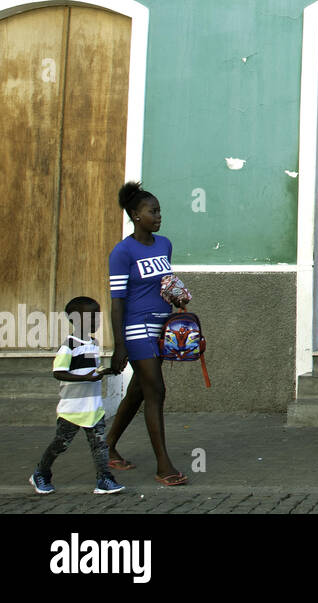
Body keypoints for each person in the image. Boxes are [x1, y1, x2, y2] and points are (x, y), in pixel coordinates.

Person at [104, 182, 188, 486]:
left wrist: (178, 297)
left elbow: (163, 284)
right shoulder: (122, 252)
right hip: (137, 327)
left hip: (162, 328)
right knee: (156, 391)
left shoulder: (164, 244)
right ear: (135, 215)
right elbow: (118, 302)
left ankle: (107, 444)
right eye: (152, 211)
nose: (158, 215)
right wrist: (119, 345)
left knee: (139, 390)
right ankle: (164, 465)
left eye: (159, 210)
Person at [29, 297, 123, 495]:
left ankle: (104, 479)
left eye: (97, 316)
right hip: (72, 408)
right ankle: (41, 473)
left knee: (100, 445)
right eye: (90, 317)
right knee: (60, 444)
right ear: (75, 319)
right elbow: (58, 372)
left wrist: (106, 372)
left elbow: (90, 371)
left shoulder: (93, 343)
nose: (96, 320)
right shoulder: (69, 345)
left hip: (93, 406)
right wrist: (87, 379)